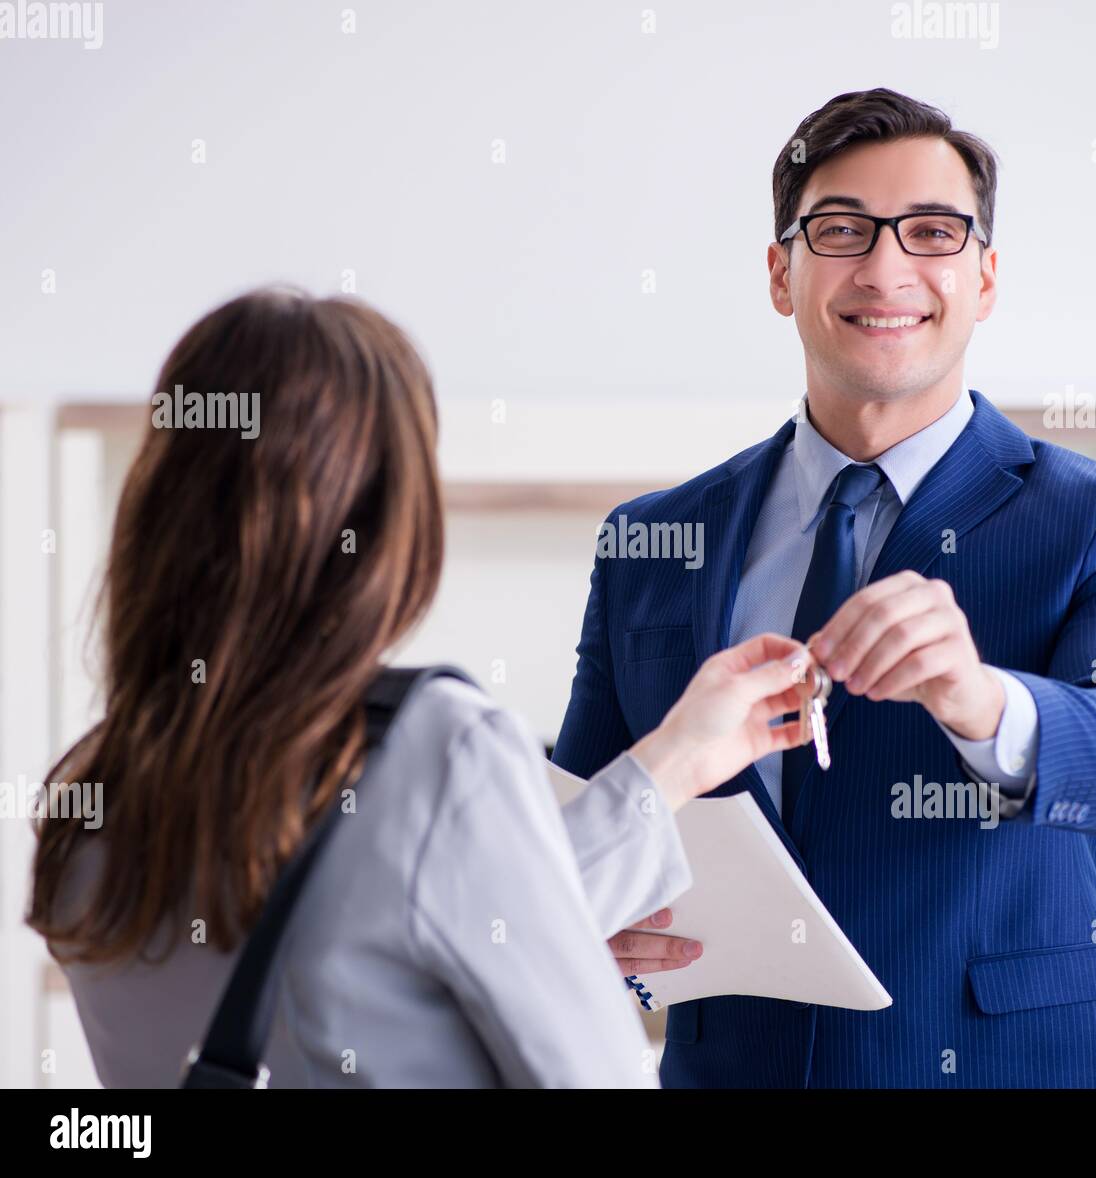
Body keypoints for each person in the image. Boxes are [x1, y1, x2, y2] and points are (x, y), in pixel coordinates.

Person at [553, 88, 1096, 1088]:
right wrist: (585, 924)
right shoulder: (650, 539)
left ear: (984, 278)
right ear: (782, 273)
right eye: (843, 228)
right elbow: (590, 814)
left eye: (933, 232)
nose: (886, 266)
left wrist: (977, 695)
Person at [26, 287, 814, 1088]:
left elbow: (401, 925)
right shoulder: (439, 746)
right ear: (386, 519)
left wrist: (674, 763)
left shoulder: (94, 796)